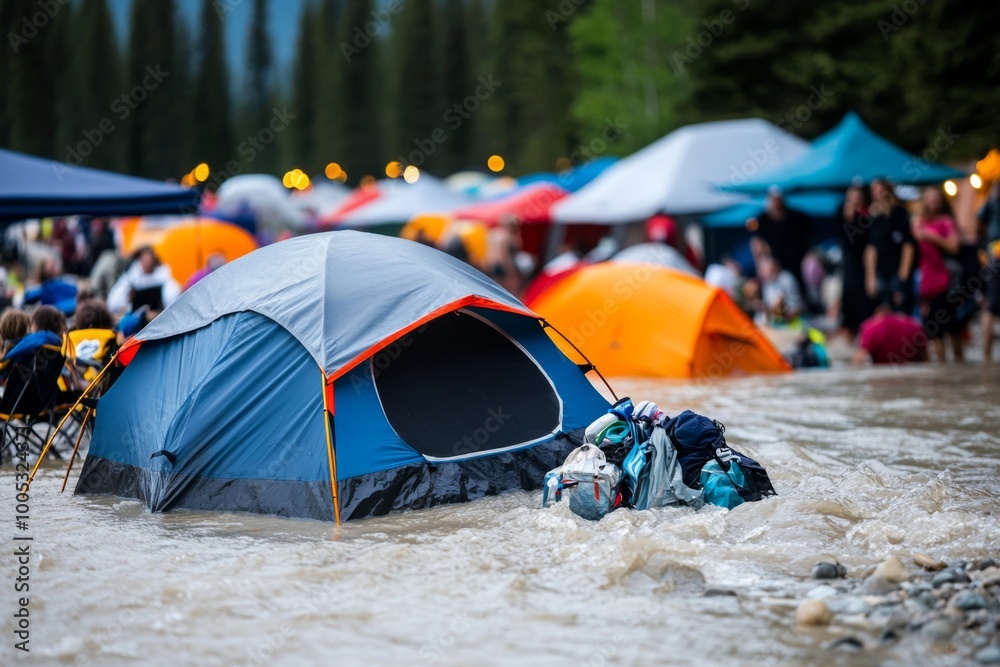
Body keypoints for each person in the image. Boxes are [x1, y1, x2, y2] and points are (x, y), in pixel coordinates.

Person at [912, 186, 962, 362]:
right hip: (926, 281)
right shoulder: (918, 222)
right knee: (933, 329)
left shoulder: (946, 221)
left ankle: (955, 364)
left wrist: (930, 236)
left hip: (946, 280)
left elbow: (954, 247)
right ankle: (943, 367)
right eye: (929, 197)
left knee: (952, 326)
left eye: (936, 197)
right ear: (924, 200)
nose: (933, 200)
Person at [864, 178, 916, 314]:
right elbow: (871, 248)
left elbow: (908, 246)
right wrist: (870, 276)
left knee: (901, 312)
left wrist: (902, 278)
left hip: (897, 273)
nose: (878, 194)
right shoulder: (875, 218)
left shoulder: (900, 214)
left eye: (881, 190)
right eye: (874, 191)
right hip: (881, 273)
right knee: (883, 312)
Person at [751, 186, 812, 296]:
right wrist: (763, 262)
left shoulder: (797, 217)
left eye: (778, 199)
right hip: (774, 268)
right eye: (773, 199)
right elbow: (757, 243)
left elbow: (810, 237)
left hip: (796, 265)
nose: (776, 202)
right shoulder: (763, 219)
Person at [839, 185, 876, 338]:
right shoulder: (842, 216)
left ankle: (866, 341)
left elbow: (869, 246)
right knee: (849, 309)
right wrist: (848, 219)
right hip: (849, 271)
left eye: (857, 198)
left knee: (865, 309)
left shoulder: (869, 218)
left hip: (865, 270)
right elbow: (846, 241)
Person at [106, 246, 181, 315]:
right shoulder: (130, 279)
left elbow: (173, 298)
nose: (147, 264)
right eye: (144, 260)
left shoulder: (163, 279)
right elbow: (113, 303)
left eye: (149, 261)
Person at [854, 305, 928, 365]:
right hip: (911, 373)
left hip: (883, 375)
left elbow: (859, 358)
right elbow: (925, 356)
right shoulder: (913, 324)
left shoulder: (870, 327)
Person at [757, 255, 804, 321]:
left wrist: (781, 312)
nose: (762, 273)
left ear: (774, 266)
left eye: (765, 269)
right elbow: (769, 308)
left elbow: (797, 308)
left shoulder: (787, 278)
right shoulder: (766, 285)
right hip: (778, 322)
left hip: (798, 319)